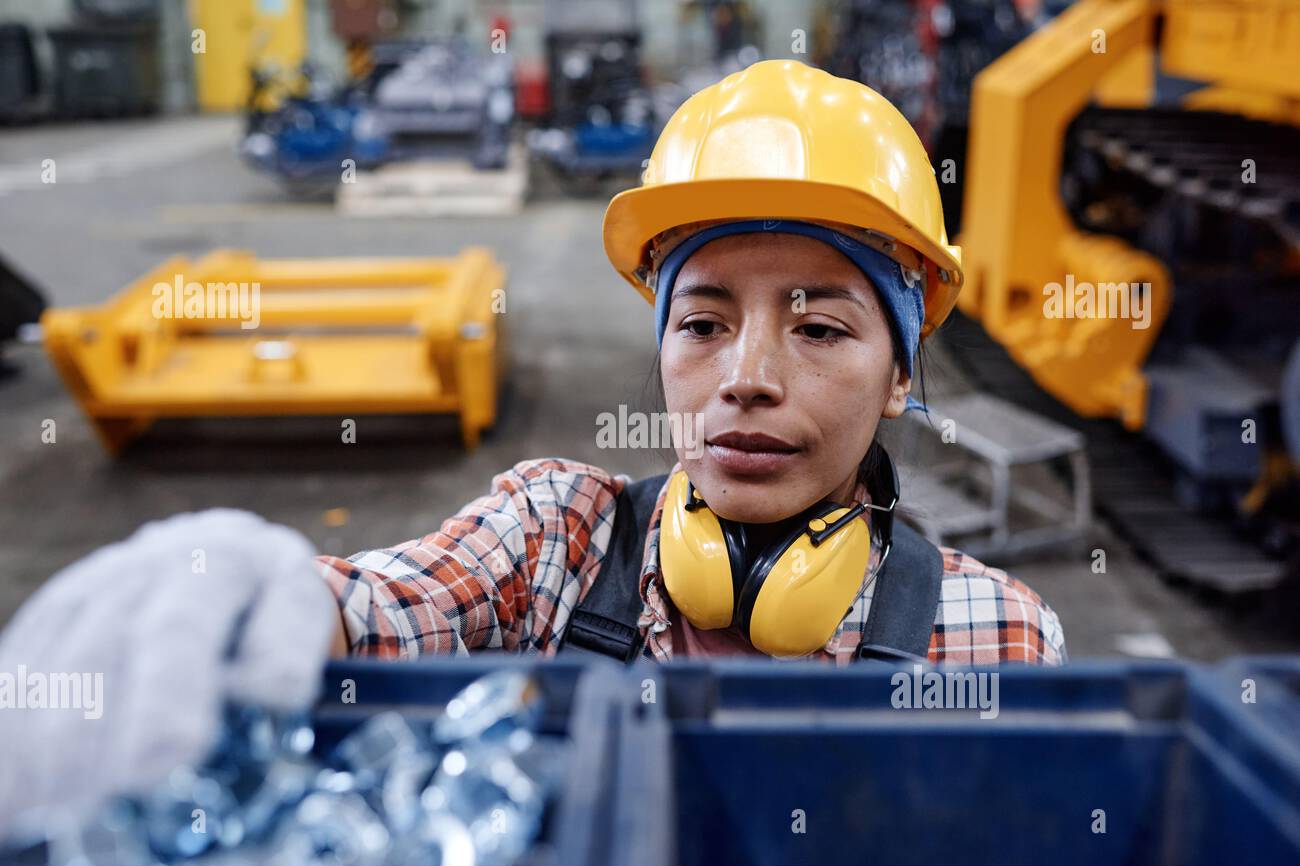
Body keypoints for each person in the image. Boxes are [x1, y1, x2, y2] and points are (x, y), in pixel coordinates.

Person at [316, 59, 1065, 666]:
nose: (747, 378)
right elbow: (377, 607)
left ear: (900, 374)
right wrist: (279, 602)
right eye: (704, 322)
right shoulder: (555, 547)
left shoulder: (991, 640)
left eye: (819, 330)